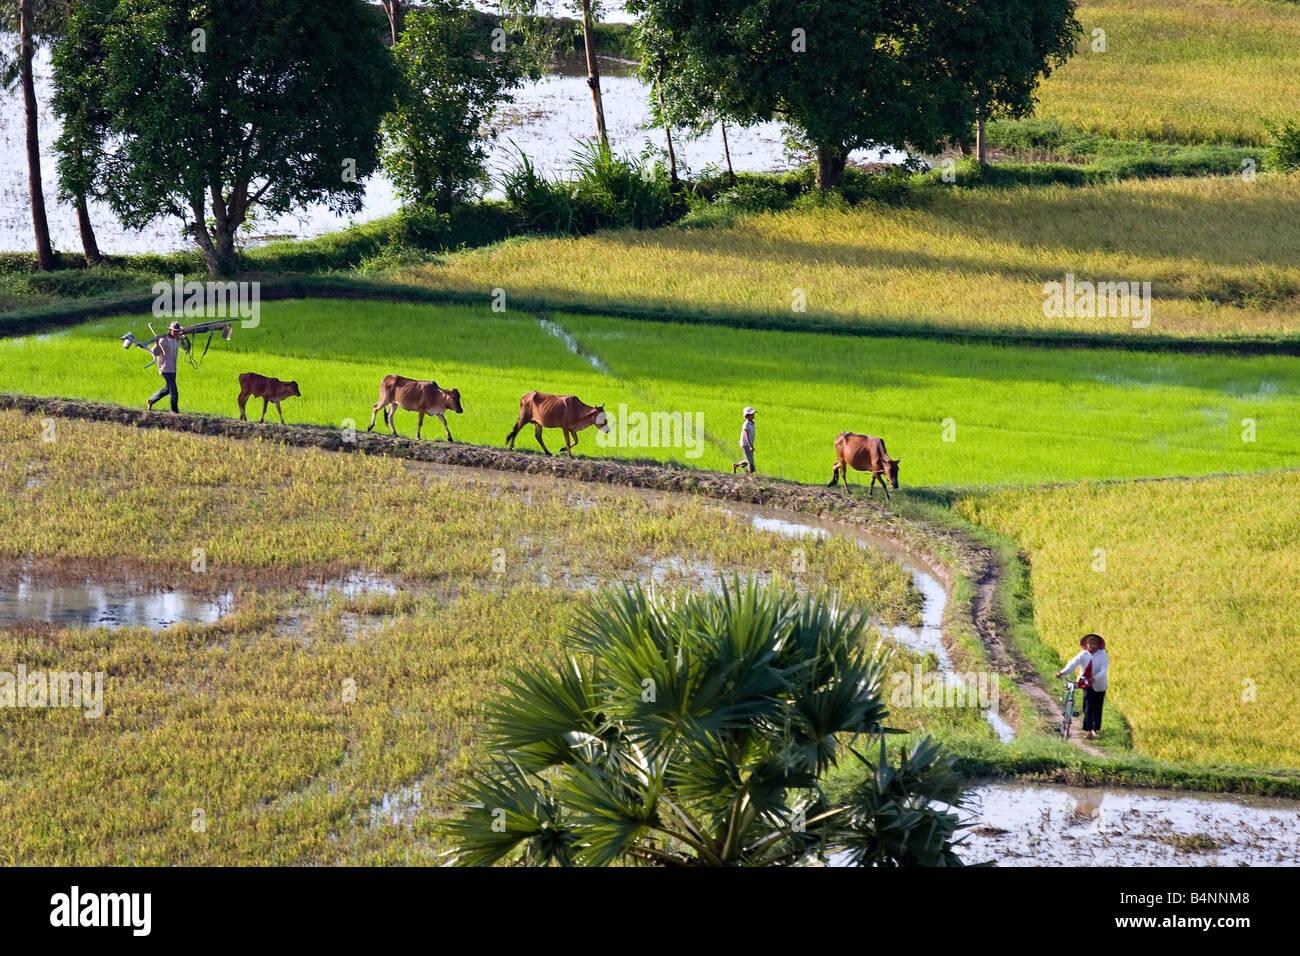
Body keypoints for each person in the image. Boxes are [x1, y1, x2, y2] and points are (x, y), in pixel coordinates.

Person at [1055, 633, 1108, 739]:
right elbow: (1073, 663)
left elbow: (1104, 669)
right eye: (1090, 643)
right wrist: (1062, 672)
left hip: (1098, 683)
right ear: (1086, 645)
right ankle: (1088, 730)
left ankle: (1094, 729)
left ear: (1098, 645)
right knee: (1087, 706)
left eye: (1094, 644)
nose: (1092, 646)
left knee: (1097, 706)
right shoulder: (1083, 654)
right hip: (1086, 683)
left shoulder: (1102, 654)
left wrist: (1095, 678)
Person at [147, 321, 183, 412]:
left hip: (173, 368)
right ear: (170, 330)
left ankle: (151, 400)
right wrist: (156, 343)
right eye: (175, 331)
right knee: (174, 390)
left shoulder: (177, 339)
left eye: (178, 331)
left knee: (168, 389)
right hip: (165, 368)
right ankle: (174, 410)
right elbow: (154, 352)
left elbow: (183, 337)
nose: (176, 333)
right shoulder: (163, 340)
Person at [732, 406, 756, 474]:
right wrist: (750, 446)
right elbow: (746, 435)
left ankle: (736, 465)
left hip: (749, 444)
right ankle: (751, 475)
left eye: (753, 414)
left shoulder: (752, 423)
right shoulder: (746, 425)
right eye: (751, 414)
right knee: (750, 462)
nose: (753, 415)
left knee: (747, 460)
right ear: (747, 416)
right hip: (746, 445)